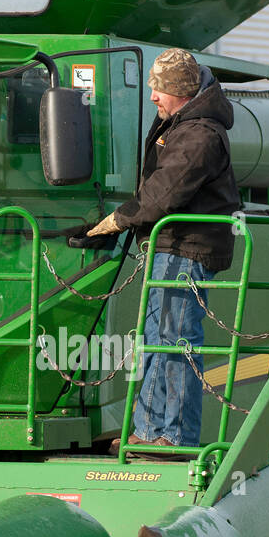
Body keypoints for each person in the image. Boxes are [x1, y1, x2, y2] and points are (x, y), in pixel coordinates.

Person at [86, 47, 240, 450]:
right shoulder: (183, 123)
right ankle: (151, 430)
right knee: (159, 337)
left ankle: (169, 435)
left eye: (161, 89)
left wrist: (119, 219)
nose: (153, 96)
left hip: (186, 248)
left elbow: (166, 189)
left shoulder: (200, 134)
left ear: (184, 92)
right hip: (172, 245)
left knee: (173, 339)